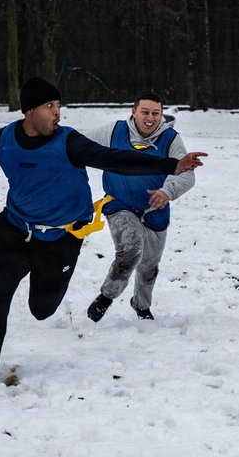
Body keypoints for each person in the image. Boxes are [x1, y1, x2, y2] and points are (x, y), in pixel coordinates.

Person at [0, 77, 206, 379]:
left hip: (61, 238)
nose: (57, 112)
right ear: (29, 111)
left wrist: (171, 165)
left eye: (58, 105)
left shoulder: (69, 142)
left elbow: (115, 159)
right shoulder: (1, 140)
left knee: (42, 309)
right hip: (13, 230)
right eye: (49, 106)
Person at [83, 92, 195, 322]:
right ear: (133, 112)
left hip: (155, 212)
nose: (150, 118)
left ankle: (141, 306)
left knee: (149, 266)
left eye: (156, 113)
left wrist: (167, 192)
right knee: (130, 250)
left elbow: (187, 175)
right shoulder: (114, 131)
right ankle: (106, 296)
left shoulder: (171, 139)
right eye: (145, 112)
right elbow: (80, 145)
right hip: (119, 203)